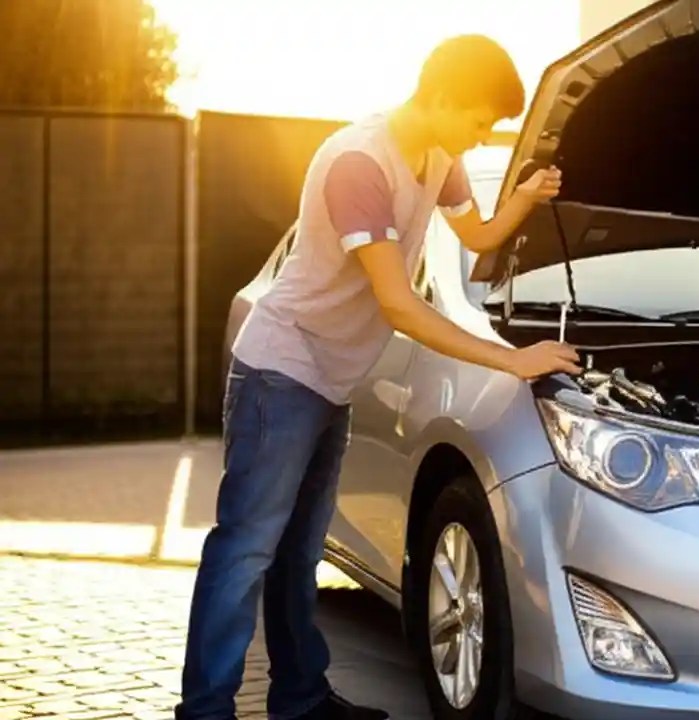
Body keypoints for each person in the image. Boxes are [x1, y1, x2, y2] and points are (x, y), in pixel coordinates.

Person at [175, 34, 582, 720]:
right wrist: (512, 359)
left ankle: (300, 699)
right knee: (246, 547)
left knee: (299, 550)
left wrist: (530, 198)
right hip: (281, 372)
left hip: (330, 380)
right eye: (479, 122)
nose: (482, 140)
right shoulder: (359, 164)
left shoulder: (438, 154)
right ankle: (205, 711)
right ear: (443, 96)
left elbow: (477, 236)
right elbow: (398, 302)